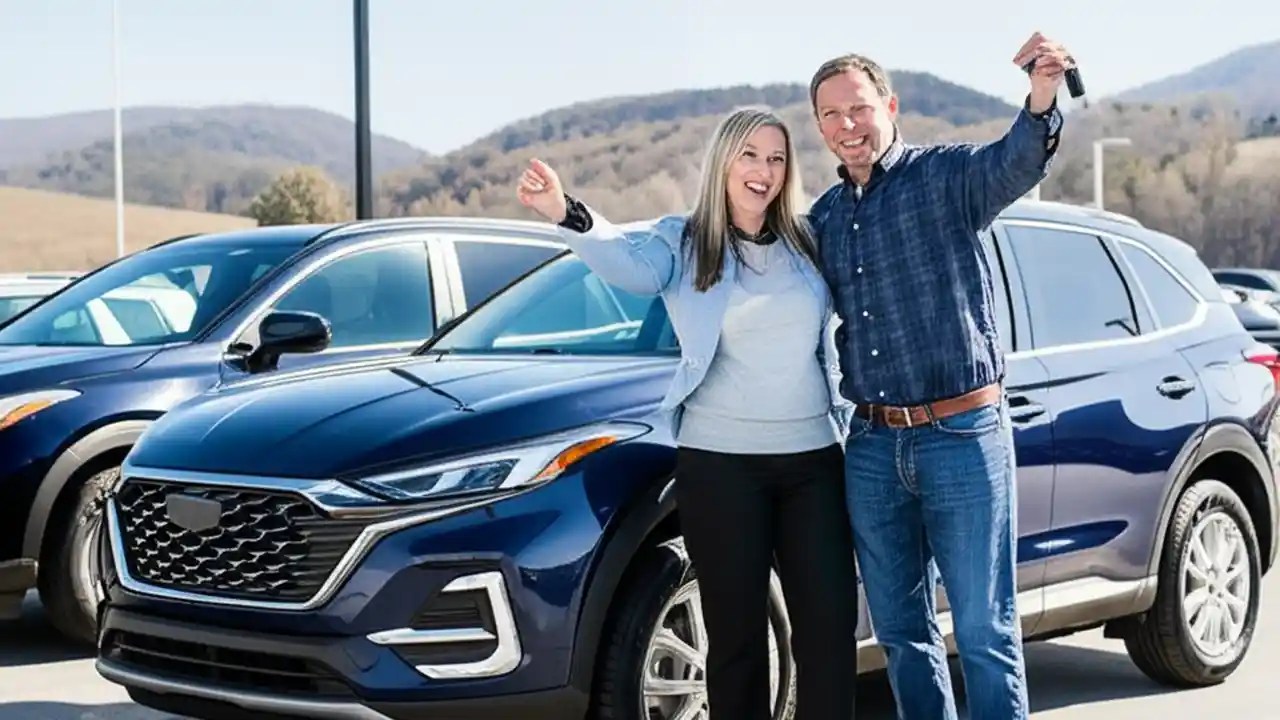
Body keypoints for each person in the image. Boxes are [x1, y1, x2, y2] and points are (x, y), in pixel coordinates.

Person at [516, 107, 859, 720]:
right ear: (723, 162)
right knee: (737, 638)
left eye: (777, 157)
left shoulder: (808, 241)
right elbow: (623, 259)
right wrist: (564, 210)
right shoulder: (684, 241)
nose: (765, 170)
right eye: (750, 155)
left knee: (827, 632)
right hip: (721, 465)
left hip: (811, 461)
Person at [804, 32, 1073, 720]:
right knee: (900, 632)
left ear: (889, 106)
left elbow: (1016, 161)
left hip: (963, 435)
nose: (847, 127)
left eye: (858, 109)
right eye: (830, 116)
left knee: (984, 630)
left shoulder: (947, 177)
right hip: (871, 446)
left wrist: (1041, 95)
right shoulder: (827, 219)